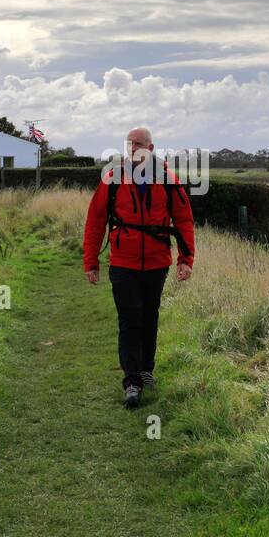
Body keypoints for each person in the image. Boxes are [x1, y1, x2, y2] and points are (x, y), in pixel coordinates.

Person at [83, 126, 195, 409]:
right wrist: (91, 261)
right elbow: (95, 221)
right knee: (130, 319)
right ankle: (132, 381)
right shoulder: (113, 180)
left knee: (149, 317)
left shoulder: (169, 181)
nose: (133, 148)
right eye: (129, 144)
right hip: (123, 262)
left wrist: (186, 259)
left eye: (139, 144)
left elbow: (183, 220)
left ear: (151, 148)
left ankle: (146, 369)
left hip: (157, 263)